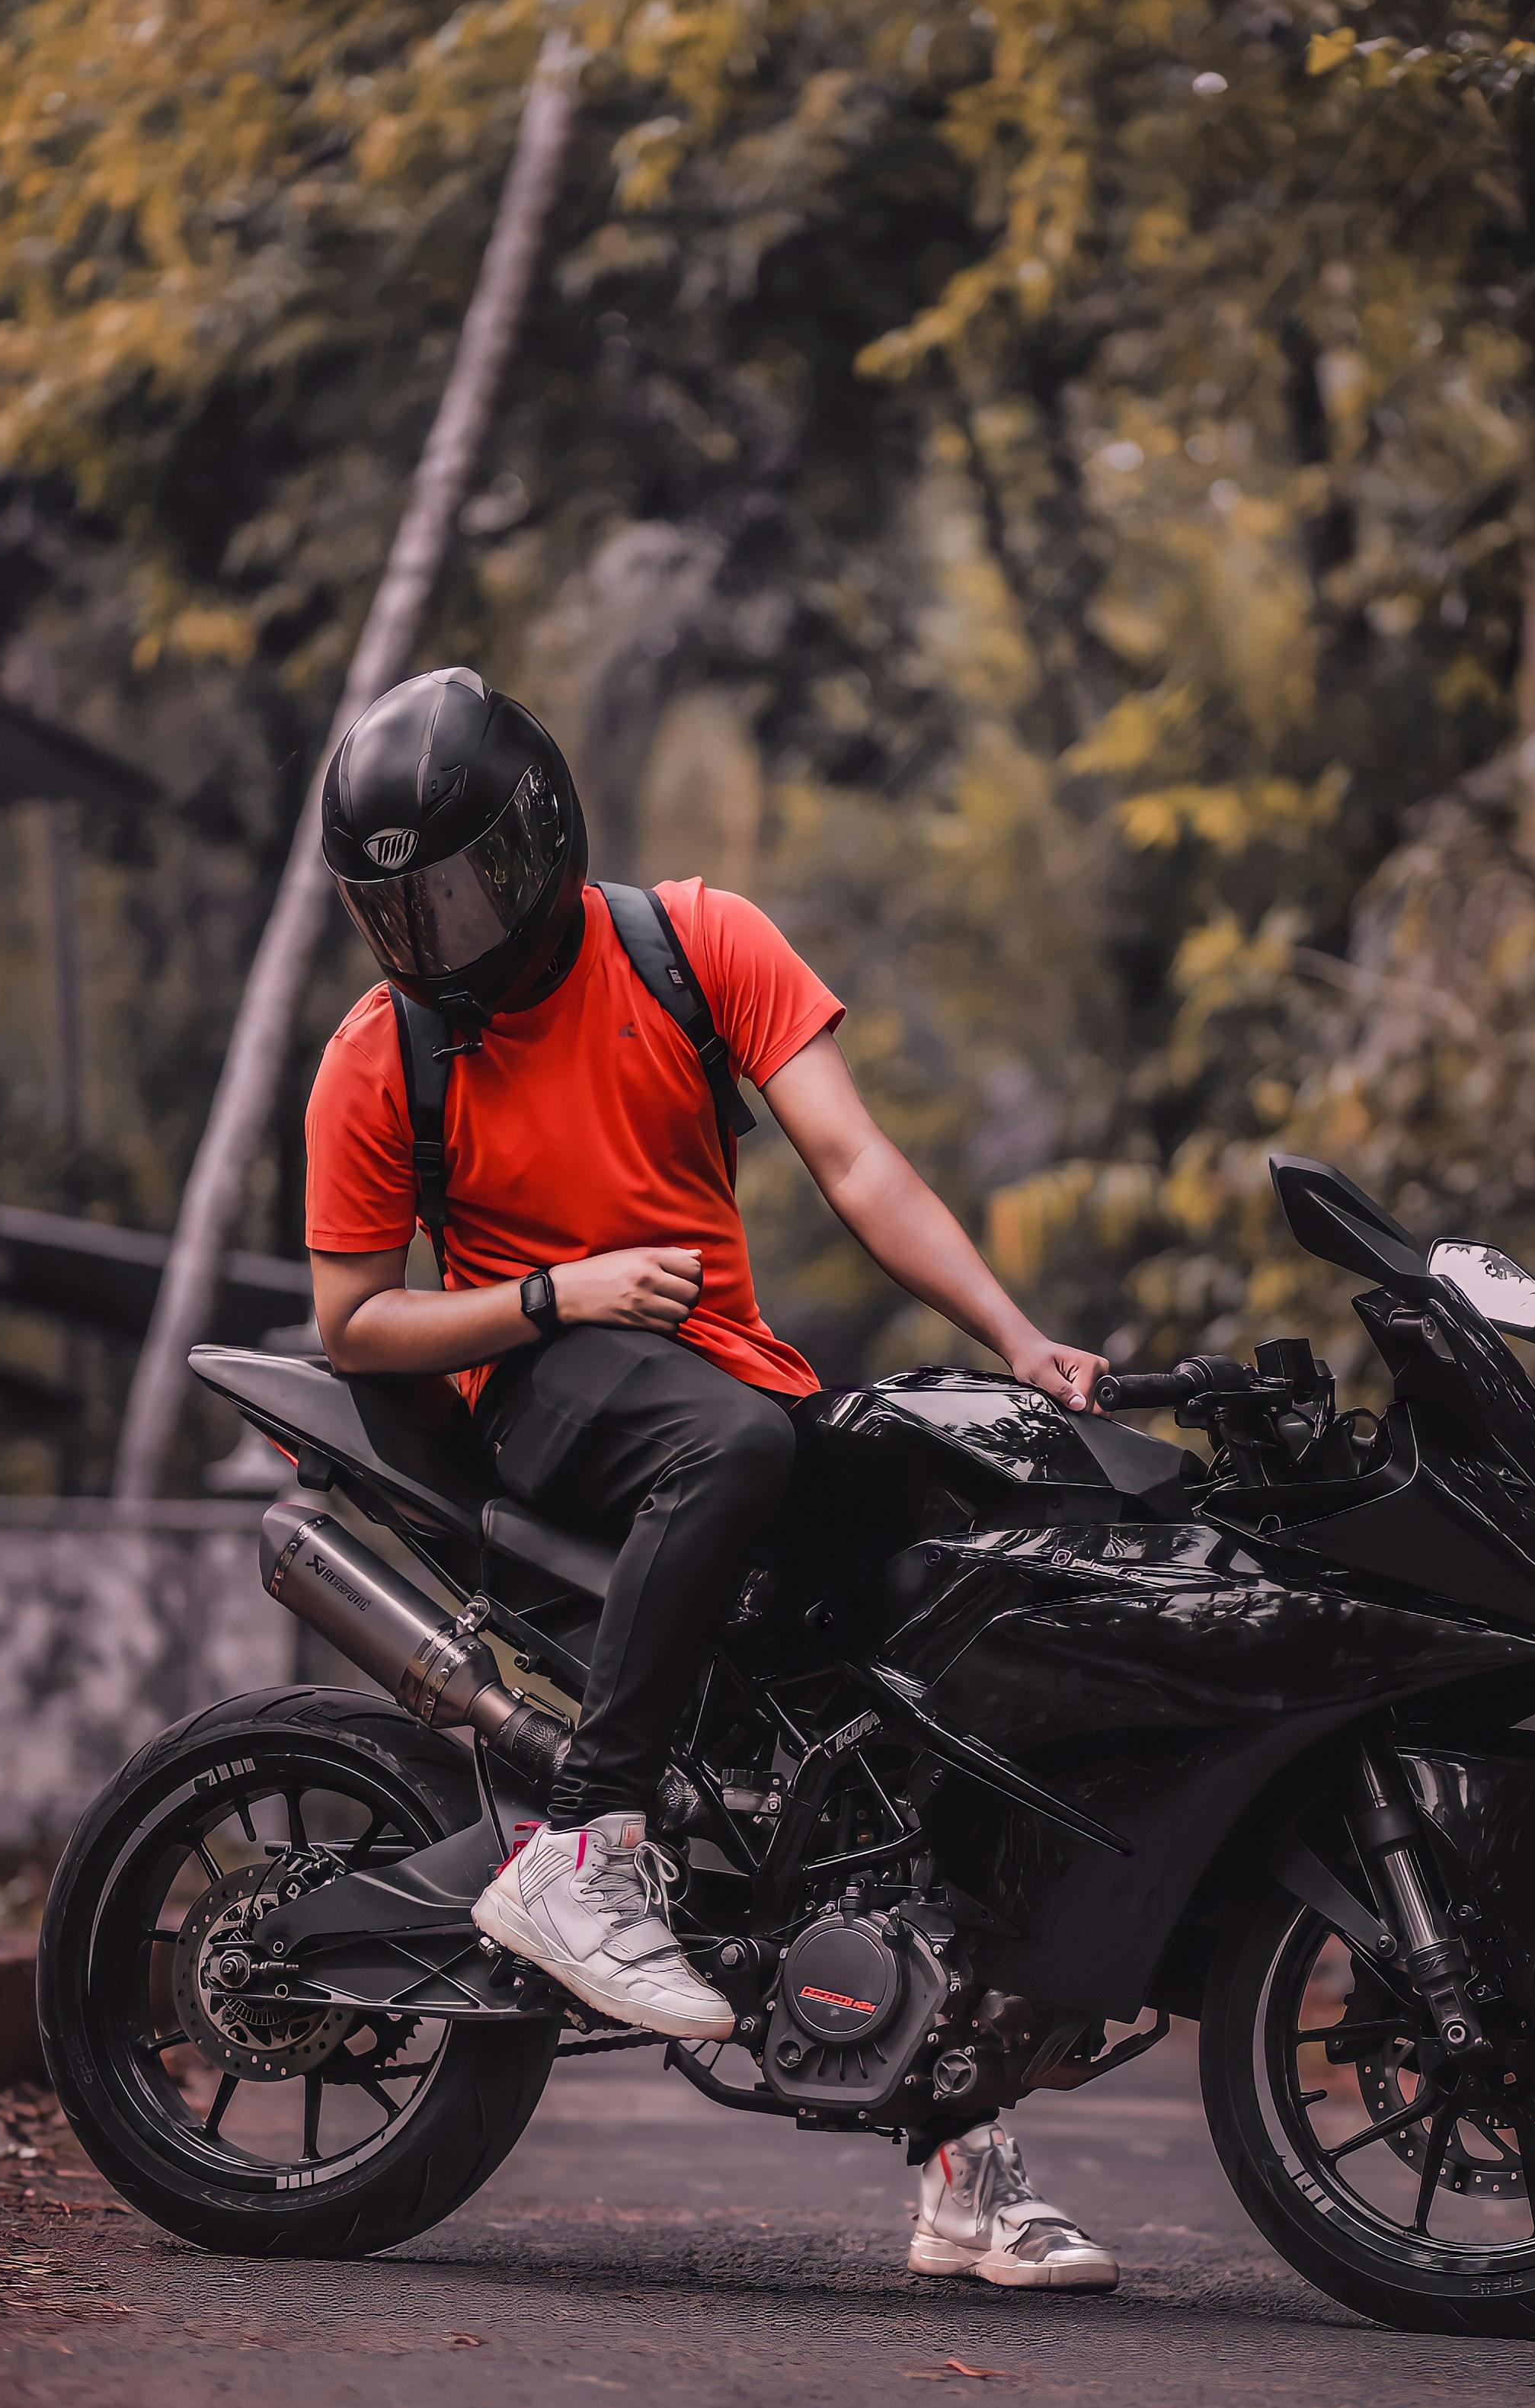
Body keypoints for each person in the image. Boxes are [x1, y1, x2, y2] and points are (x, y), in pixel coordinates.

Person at [304, 666, 1118, 2291]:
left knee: (936, 1648)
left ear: (540, 837)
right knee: (730, 1437)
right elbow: (349, 1316)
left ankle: (963, 2163)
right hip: (536, 1391)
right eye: (400, 909)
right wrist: (554, 1294)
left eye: (464, 890)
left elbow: (862, 1162)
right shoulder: (380, 1057)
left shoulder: (691, 945)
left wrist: (1020, 1335)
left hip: (718, 1384)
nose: (440, 935)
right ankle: (585, 1844)